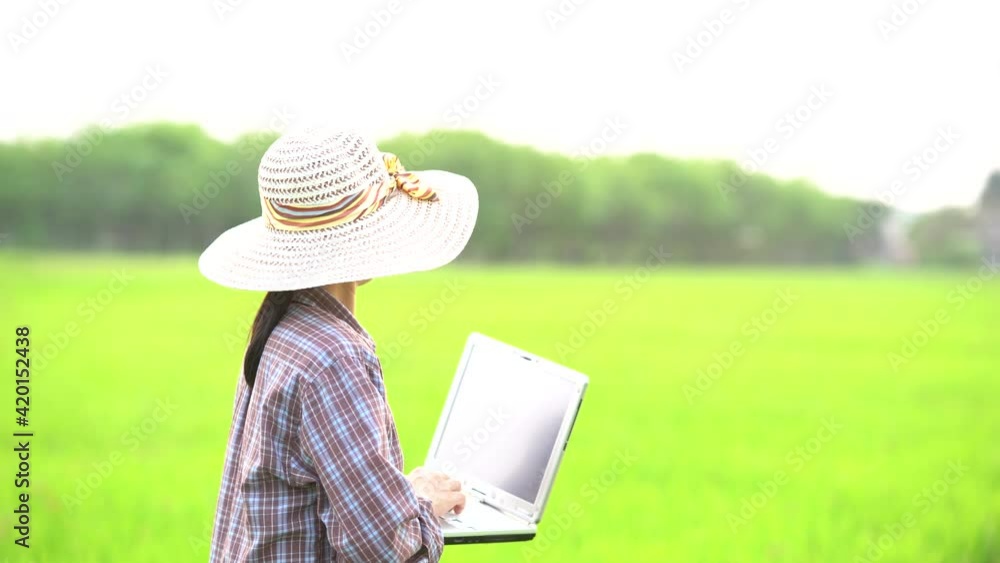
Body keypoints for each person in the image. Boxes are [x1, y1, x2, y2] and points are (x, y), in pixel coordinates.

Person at [197, 128, 479, 562]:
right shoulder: (334, 356)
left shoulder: (283, 326)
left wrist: (398, 496)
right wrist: (421, 501)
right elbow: (383, 547)